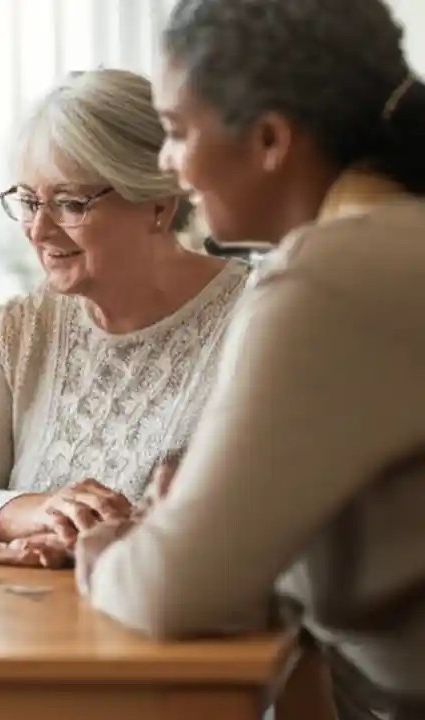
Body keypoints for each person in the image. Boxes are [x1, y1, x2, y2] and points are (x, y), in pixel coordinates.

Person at [77, 0, 425, 715]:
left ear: (269, 139)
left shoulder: (331, 277)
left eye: (176, 132)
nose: (166, 165)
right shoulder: (388, 243)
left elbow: (171, 592)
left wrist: (114, 548)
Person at [0, 68, 250, 560]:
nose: (38, 230)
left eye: (69, 203)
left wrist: (107, 538)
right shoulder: (22, 328)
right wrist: (38, 511)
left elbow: (253, 524)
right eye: (28, 201)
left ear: (158, 207)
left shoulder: (255, 317)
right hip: (31, 622)